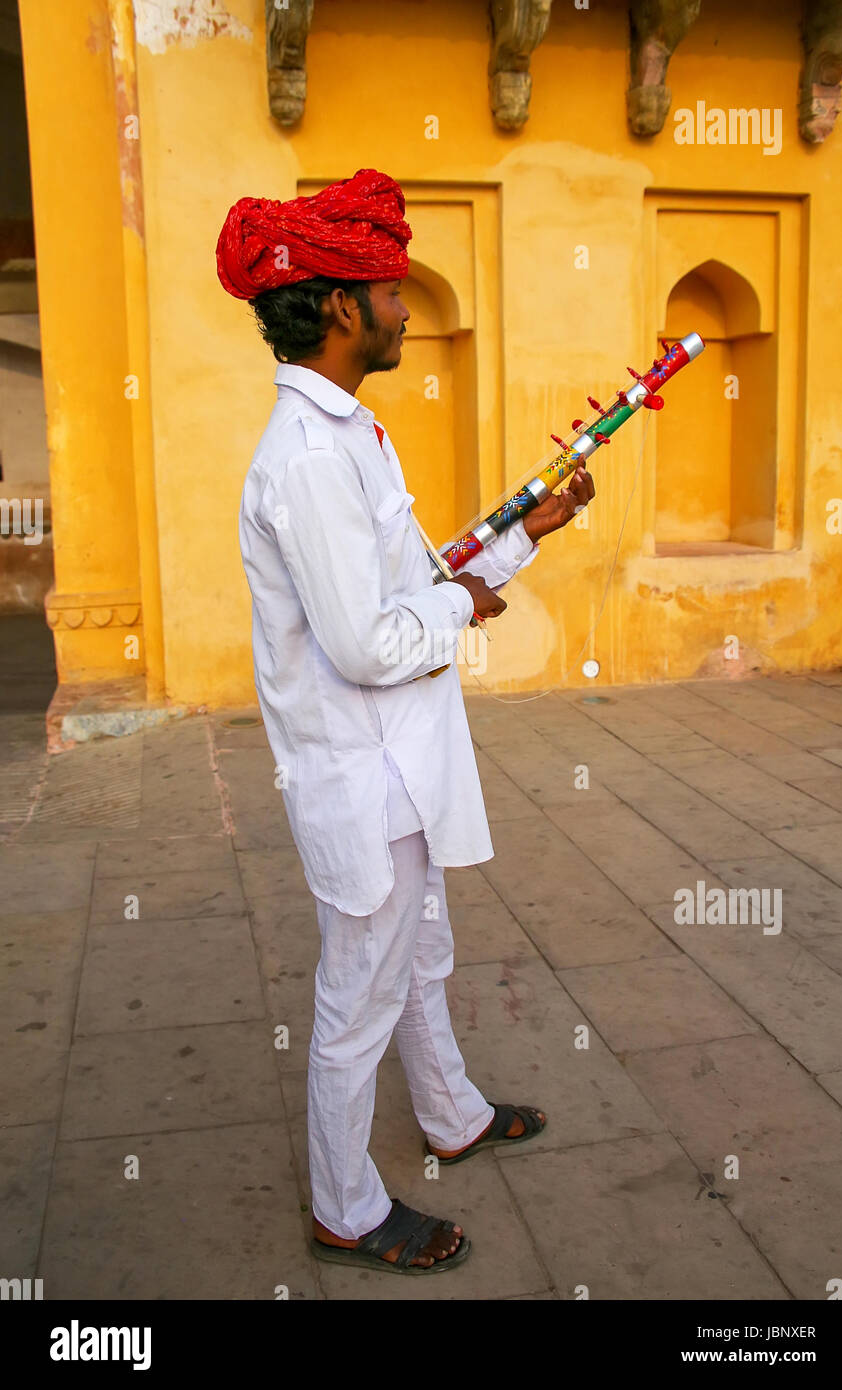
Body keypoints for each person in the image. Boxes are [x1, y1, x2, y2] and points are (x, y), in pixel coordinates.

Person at [217, 169, 596, 1275]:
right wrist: (459, 600)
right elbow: (369, 642)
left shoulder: (348, 435)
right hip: (357, 773)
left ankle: (451, 1115)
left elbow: (416, 580)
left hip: (399, 764)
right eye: (387, 287)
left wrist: (531, 531)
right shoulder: (304, 459)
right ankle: (343, 1204)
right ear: (339, 305)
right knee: (358, 992)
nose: (403, 305)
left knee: (419, 954)